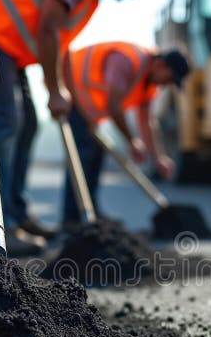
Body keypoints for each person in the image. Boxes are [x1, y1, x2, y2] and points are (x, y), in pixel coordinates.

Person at [0, 0, 100, 254]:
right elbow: (47, 29)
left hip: (8, 42)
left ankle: (9, 214)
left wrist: (64, 91)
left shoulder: (88, 3)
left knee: (28, 124)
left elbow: (60, 43)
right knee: (8, 122)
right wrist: (54, 90)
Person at [62, 42, 190, 227]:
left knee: (97, 153)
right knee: (83, 153)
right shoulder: (126, 61)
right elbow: (113, 106)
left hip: (89, 110)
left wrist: (158, 157)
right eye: (169, 78)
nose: (167, 85)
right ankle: (72, 219)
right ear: (160, 65)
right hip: (70, 91)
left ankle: (91, 213)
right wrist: (131, 140)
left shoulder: (148, 83)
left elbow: (146, 121)